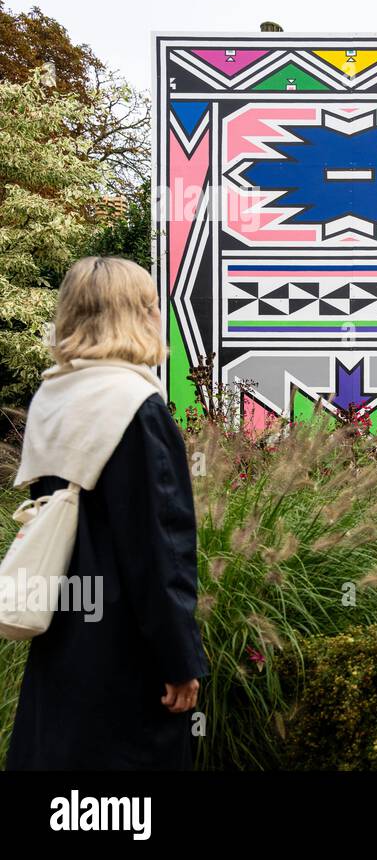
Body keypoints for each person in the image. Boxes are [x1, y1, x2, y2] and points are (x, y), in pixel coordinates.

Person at [6, 257, 209, 770]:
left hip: (63, 630)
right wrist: (179, 657)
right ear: (140, 314)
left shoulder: (54, 395)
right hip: (125, 650)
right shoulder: (135, 406)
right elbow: (158, 548)